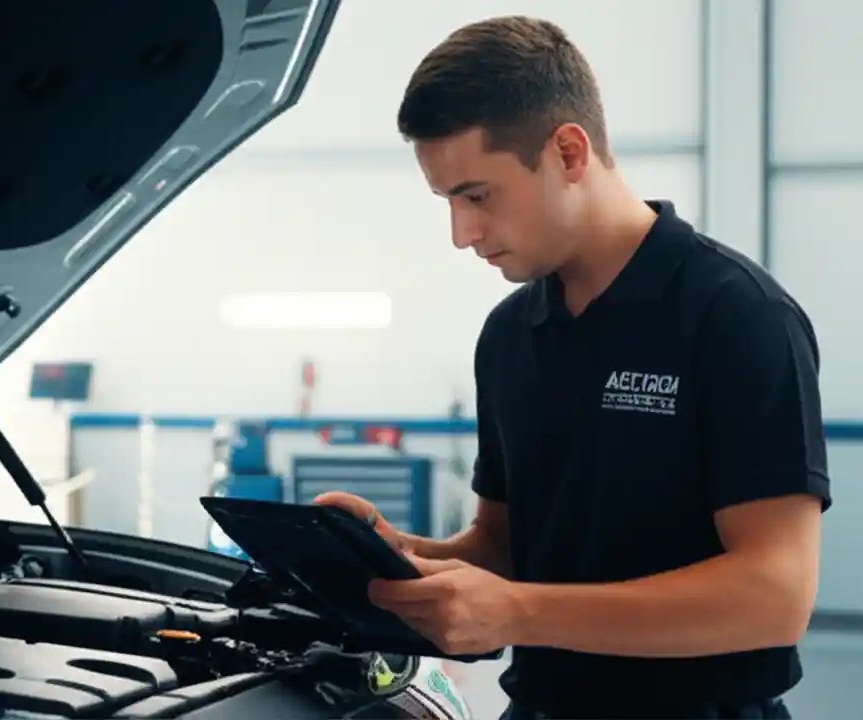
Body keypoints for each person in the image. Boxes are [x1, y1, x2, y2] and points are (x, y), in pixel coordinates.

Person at [314, 15, 831, 719]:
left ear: (568, 151)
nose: (462, 234)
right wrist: (402, 557)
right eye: (449, 202)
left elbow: (774, 598)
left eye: (477, 195)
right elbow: (504, 547)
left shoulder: (737, 317)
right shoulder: (510, 334)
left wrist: (519, 612)